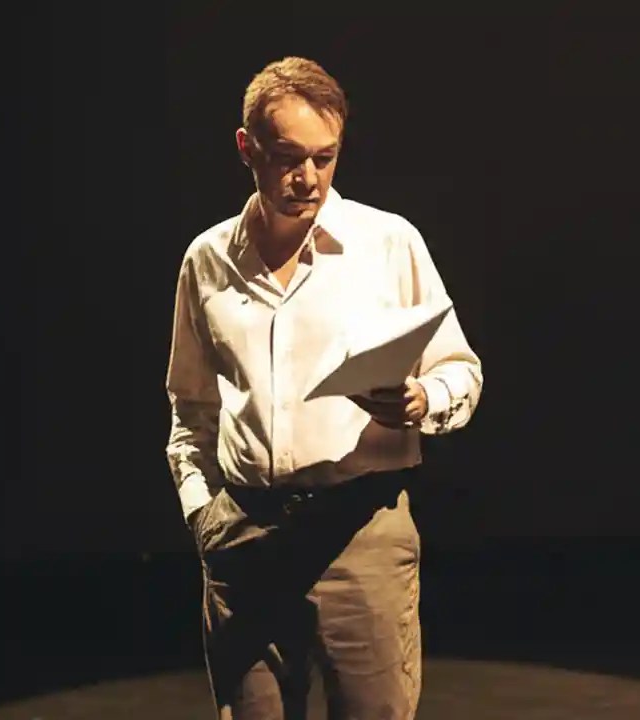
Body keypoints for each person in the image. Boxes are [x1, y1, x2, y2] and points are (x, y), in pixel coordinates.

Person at [164, 56, 483, 720]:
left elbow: (461, 369)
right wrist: (205, 516)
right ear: (246, 148)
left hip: (359, 530)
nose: (306, 178)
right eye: (286, 157)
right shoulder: (207, 260)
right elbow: (190, 408)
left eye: (324, 157)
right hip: (246, 536)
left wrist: (425, 401)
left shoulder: (387, 244)